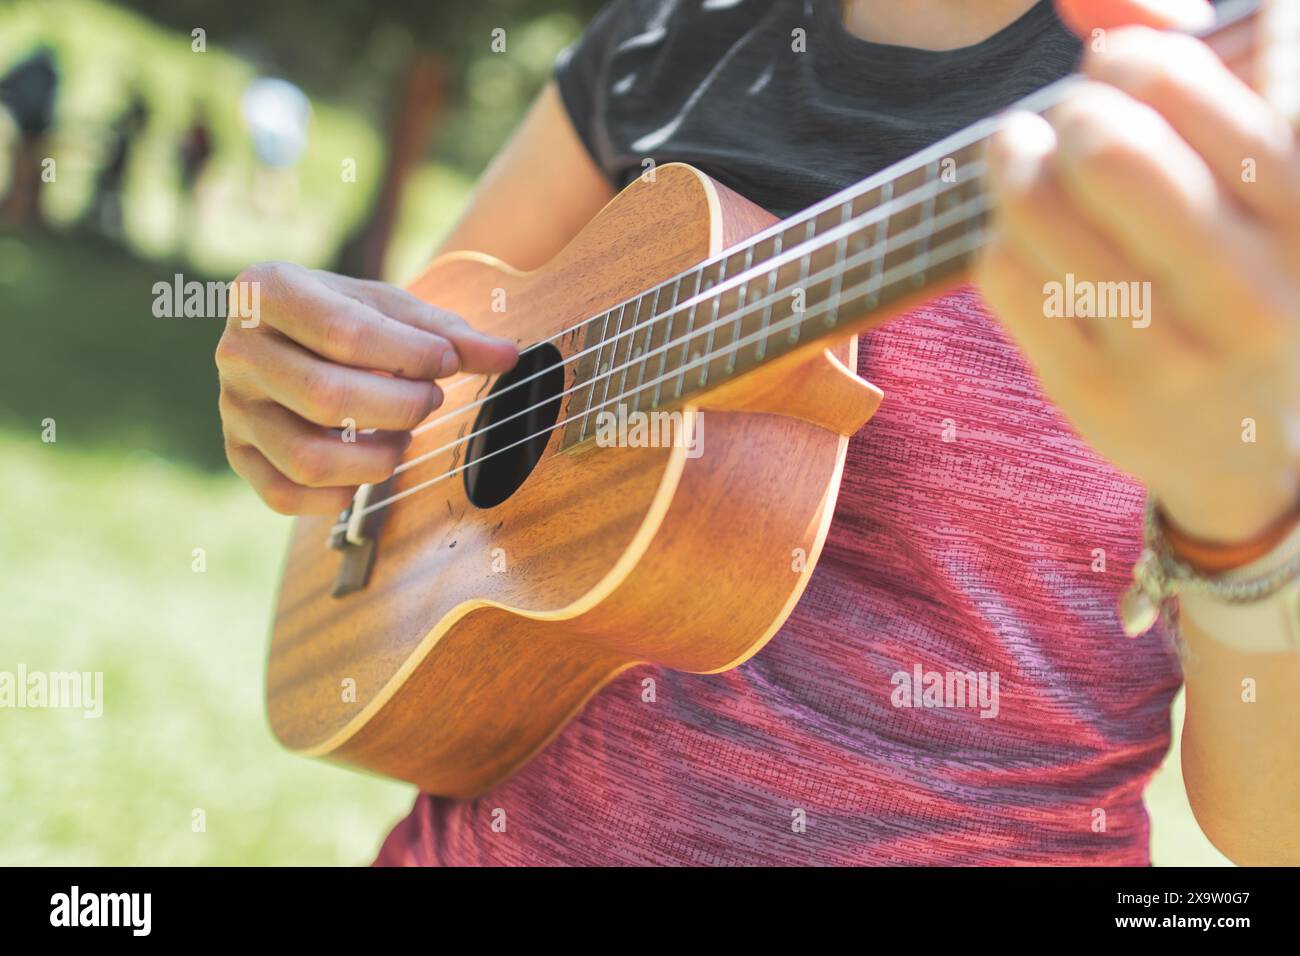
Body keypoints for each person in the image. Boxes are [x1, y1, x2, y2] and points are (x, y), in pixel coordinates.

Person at [215, 0, 1300, 865]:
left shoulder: (1247, 109)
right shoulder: (665, 39)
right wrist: (311, 387)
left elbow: (1272, 827)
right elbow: (423, 417)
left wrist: (1243, 494)